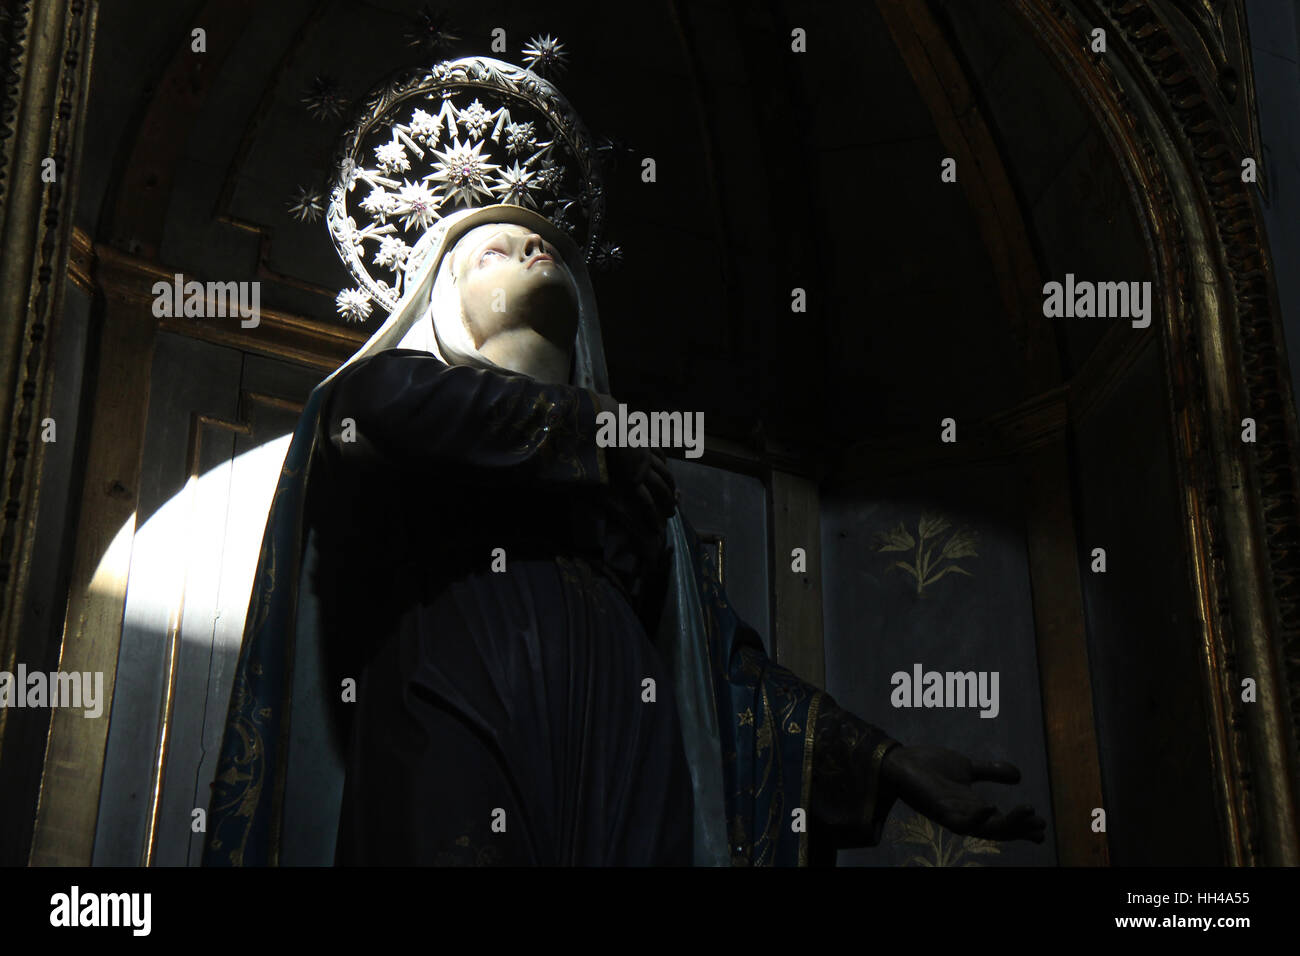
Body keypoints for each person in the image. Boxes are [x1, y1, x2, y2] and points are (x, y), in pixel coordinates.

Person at [204, 203, 1045, 866]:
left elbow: (723, 678)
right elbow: (380, 417)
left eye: (546, 252)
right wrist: (589, 430)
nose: (533, 255)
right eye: (494, 252)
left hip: (627, 740)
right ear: (440, 300)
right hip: (458, 698)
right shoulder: (391, 395)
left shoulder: (639, 485)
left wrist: (883, 758)